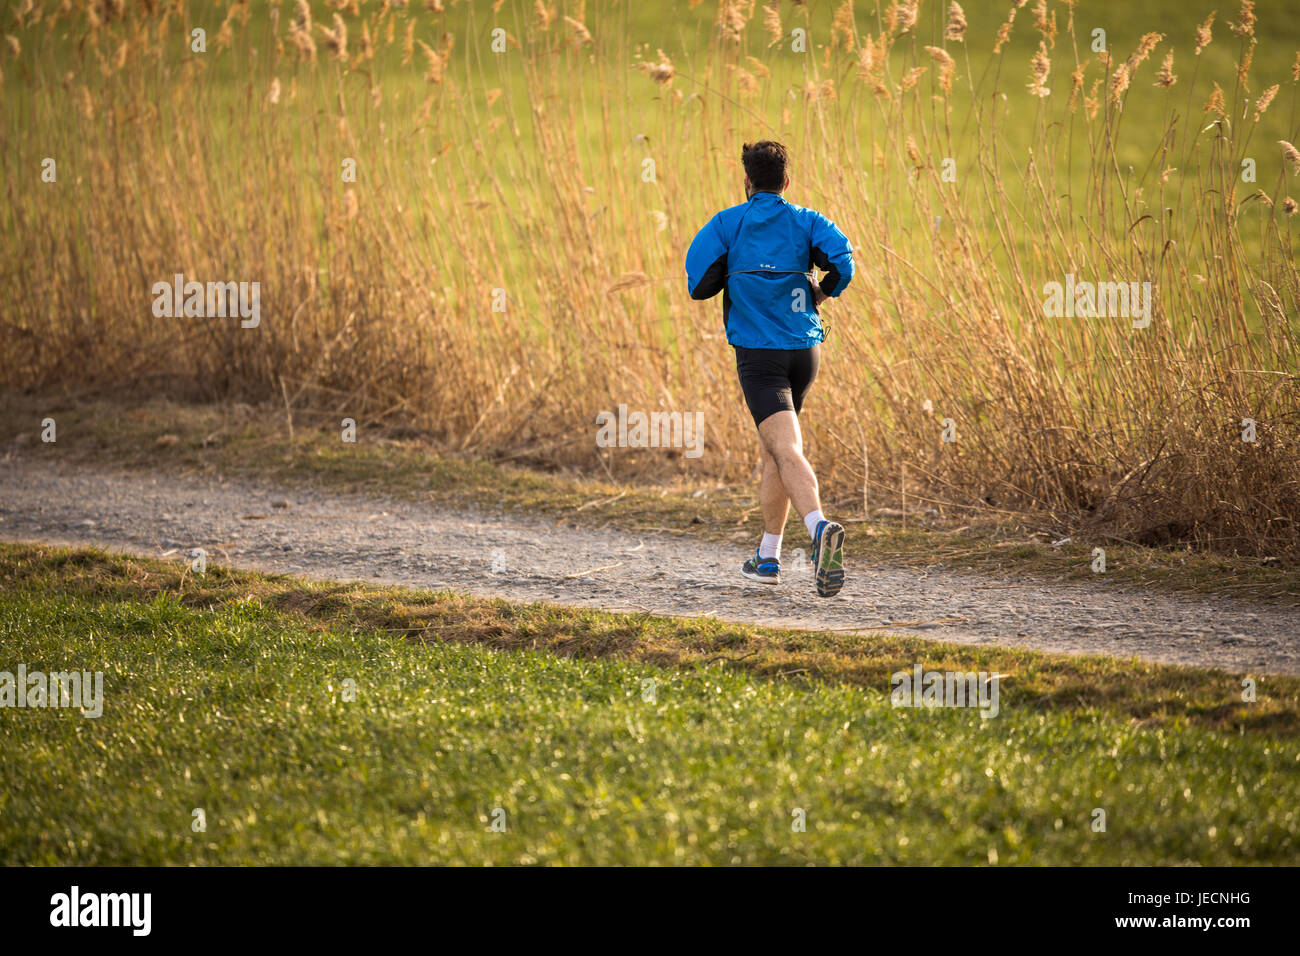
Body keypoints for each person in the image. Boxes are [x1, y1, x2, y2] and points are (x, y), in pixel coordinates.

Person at [684, 141, 854, 597]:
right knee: (774, 450)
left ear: (746, 181)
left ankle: (820, 531)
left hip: (760, 357)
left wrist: (732, 275)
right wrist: (821, 292)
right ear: (786, 181)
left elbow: (697, 283)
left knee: (786, 447)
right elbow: (842, 262)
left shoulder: (728, 222)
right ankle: (768, 556)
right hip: (804, 354)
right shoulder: (807, 219)